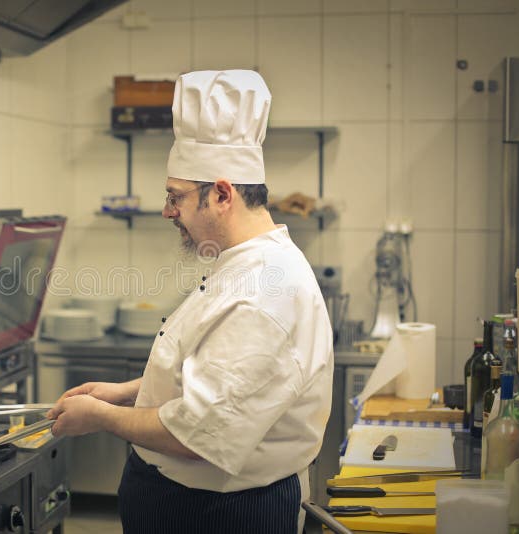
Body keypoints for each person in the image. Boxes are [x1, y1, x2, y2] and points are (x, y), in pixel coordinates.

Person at [47, 70, 334, 534]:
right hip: (196, 504)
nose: (167, 211)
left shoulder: (263, 292)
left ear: (221, 194)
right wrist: (123, 392)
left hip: (221, 515)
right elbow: (209, 376)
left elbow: (201, 436)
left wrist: (102, 416)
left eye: (175, 197)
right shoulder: (242, 264)